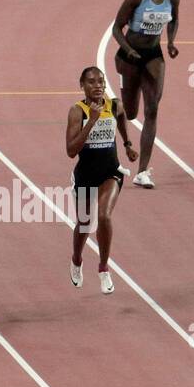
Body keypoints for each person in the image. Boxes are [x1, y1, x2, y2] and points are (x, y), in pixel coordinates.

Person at [67, 66, 139, 294]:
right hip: (85, 175)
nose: (97, 85)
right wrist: (91, 121)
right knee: (85, 223)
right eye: (91, 82)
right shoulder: (77, 111)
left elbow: (121, 118)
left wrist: (127, 144)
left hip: (111, 173)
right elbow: (70, 151)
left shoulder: (114, 105)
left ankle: (103, 268)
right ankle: (76, 259)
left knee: (104, 216)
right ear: (82, 85)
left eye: (101, 81)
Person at [111, 0, 178, 189]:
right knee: (130, 113)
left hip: (153, 56)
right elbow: (116, 28)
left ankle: (142, 172)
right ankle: (120, 104)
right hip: (129, 57)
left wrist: (171, 42)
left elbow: (173, 21)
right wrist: (128, 50)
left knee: (152, 110)